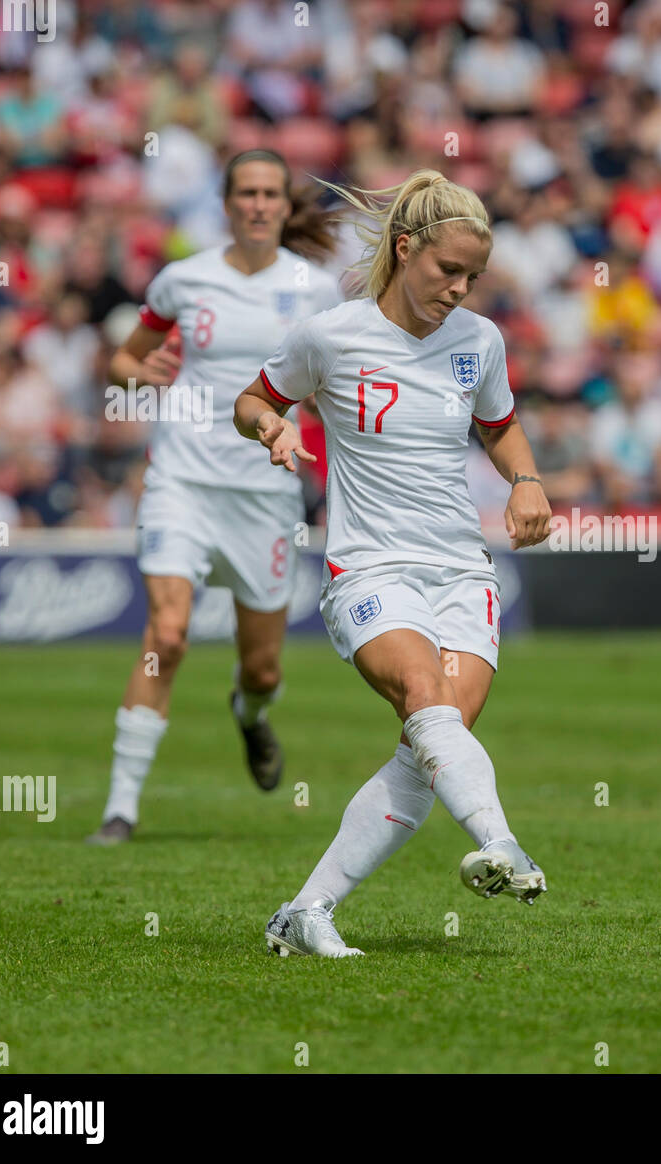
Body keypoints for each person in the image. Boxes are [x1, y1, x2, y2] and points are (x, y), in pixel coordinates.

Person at [233, 169, 553, 958]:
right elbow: (254, 399)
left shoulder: (479, 342)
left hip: (462, 572)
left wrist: (528, 480)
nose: (459, 289)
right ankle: (502, 843)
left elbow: (500, 426)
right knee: (424, 694)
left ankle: (306, 913)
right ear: (406, 249)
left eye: (473, 277)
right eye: (449, 271)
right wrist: (272, 430)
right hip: (370, 569)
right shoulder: (331, 335)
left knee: (431, 741)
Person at [87, 150, 342, 845]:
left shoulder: (316, 289)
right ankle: (121, 808)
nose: (258, 205)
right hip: (182, 478)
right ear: (226, 204)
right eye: (246, 193)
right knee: (165, 636)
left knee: (261, 665)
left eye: (270, 194)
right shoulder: (183, 279)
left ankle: (252, 715)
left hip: (265, 493)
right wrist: (142, 371)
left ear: (286, 208)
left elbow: (331, 383)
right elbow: (120, 362)